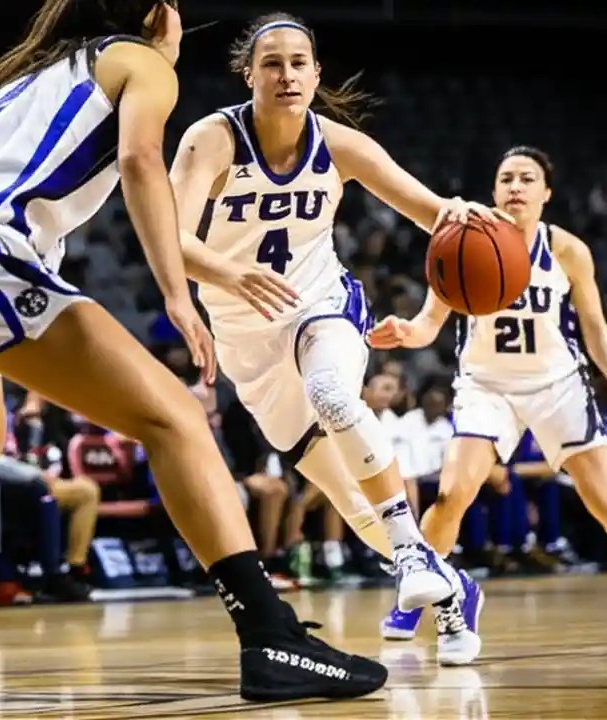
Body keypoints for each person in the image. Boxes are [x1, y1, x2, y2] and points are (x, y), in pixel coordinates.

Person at [0, 0, 385, 703]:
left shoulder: (41, 68)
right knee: (177, 420)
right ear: (158, 14)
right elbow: (139, 160)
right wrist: (176, 293)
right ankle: (269, 636)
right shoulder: (142, 61)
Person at [168, 12, 495, 657]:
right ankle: (449, 585)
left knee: (336, 395)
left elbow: (437, 220)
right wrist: (228, 274)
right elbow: (168, 238)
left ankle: (412, 555)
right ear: (248, 73)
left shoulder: (342, 145)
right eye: (272, 63)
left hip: (321, 305)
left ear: (316, 75)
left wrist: (462, 218)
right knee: (352, 504)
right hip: (244, 336)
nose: (286, 74)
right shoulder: (212, 139)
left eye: (298, 63)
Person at [368, 146, 607, 664]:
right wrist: (407, 331)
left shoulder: (567, 251)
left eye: (527, 179)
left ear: (546, 193)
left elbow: (595, 325)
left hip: (557, 385)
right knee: (451, 494)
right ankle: (419, 593)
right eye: (506, 179)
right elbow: (429, 323)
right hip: (485, 386)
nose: (515, 187)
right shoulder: (462, 236)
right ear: (494, 192)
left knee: (605, 502)